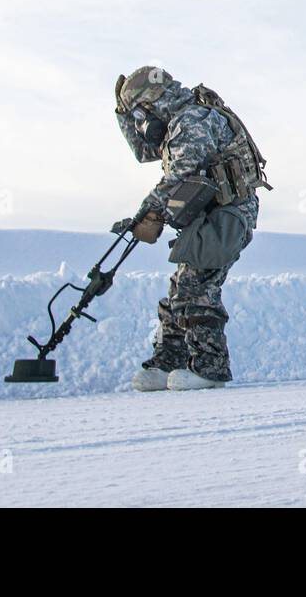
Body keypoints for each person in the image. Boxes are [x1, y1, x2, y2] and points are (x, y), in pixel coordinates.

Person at [113, 66, 270, 391]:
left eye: (141, 113)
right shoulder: (176, 122)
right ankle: (168, 363)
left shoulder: (194, 120)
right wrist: (123, 113)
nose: (142, 122)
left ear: (154, 102)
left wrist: (146, 214)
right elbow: (145, 152)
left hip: (229, 212)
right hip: (210, 213)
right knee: (180, 288)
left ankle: (210, 368)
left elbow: (179, 176)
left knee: (196, 288)